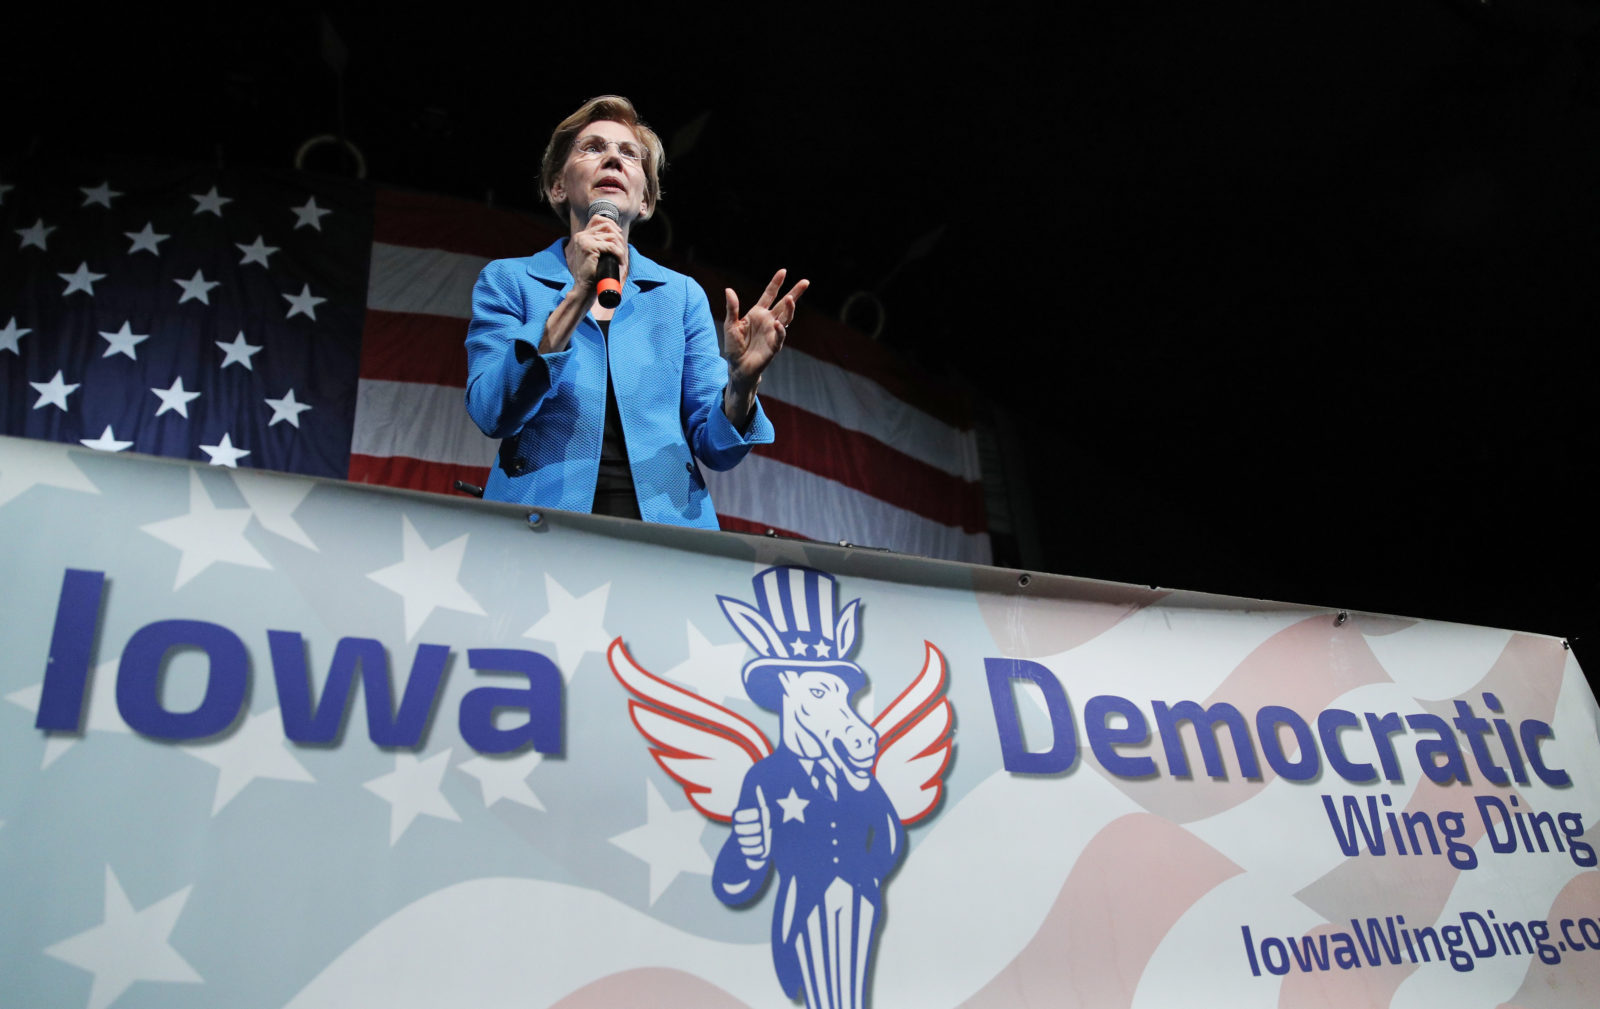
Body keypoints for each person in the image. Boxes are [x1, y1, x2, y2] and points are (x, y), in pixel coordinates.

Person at [464, 95, 806, 526]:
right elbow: (492, 412)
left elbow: (719, 450)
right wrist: (577, 296)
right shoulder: (509, 281)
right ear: (557, 186)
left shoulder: (680, 296)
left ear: (645, 201)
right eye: (592, 148)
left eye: (629, 154)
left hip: (665, 529)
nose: (612, 158)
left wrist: (743, 381)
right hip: (539, 521)